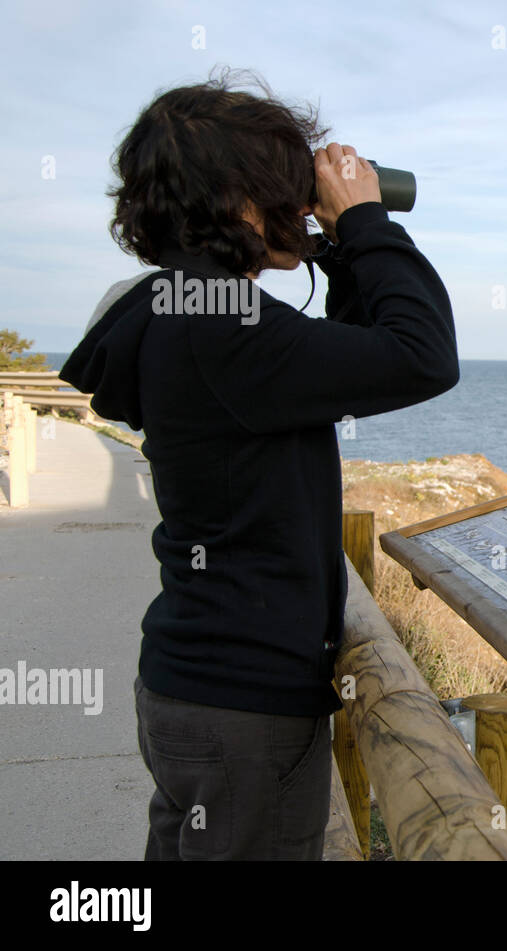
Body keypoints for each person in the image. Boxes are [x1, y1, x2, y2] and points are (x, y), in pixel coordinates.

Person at [59, 68, 459, 860]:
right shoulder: (225, 323)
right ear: (241, 202)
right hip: (244, 708)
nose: (300, 200)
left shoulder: (185, 311)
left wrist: (341, 247)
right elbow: (421, 356)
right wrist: (368, 220)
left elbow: (347, 371)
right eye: (286, 183)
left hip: (197, 683)